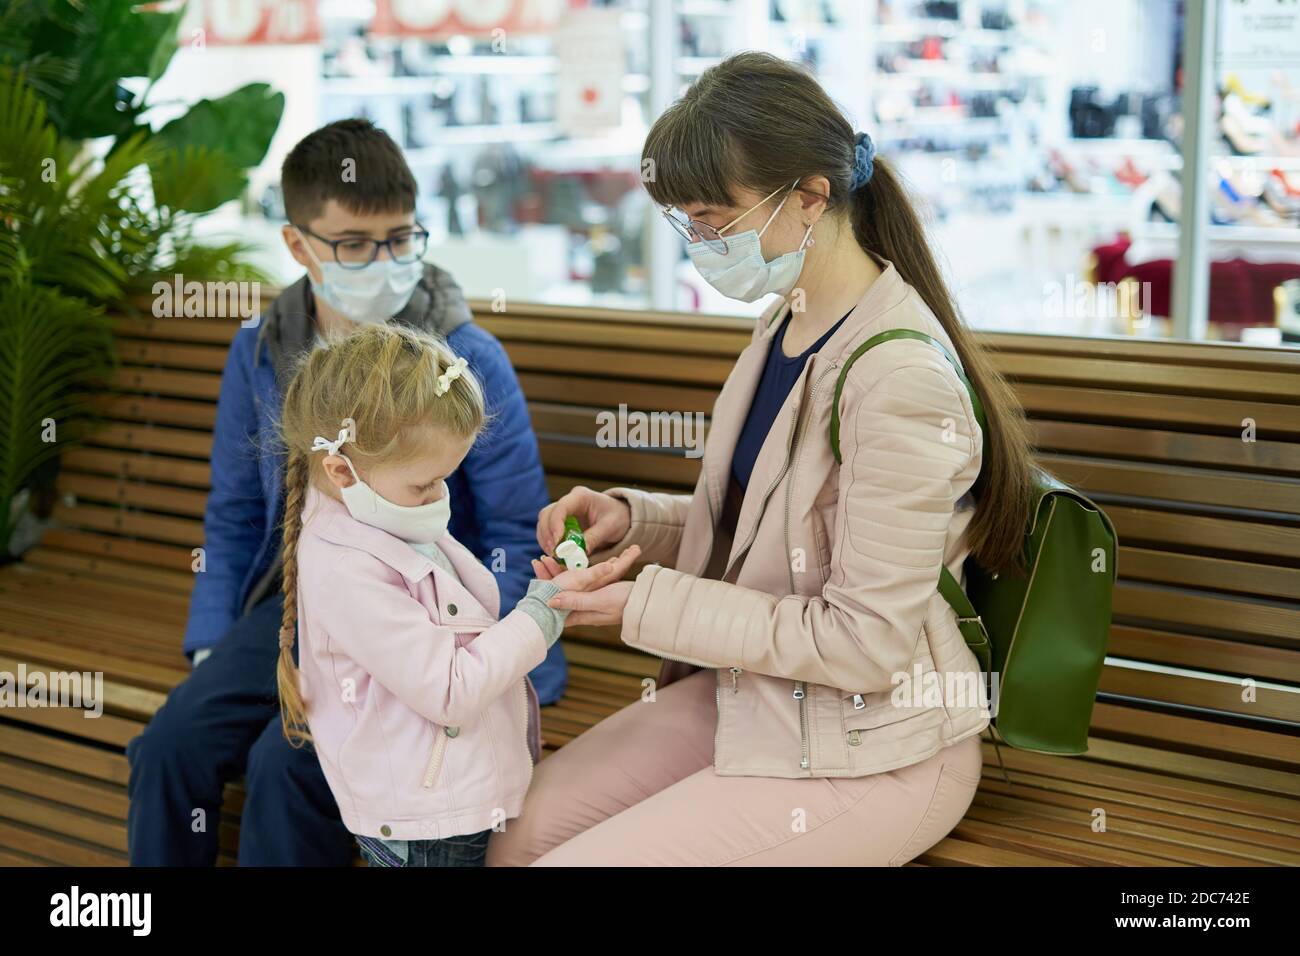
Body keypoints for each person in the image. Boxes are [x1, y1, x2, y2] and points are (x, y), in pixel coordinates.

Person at [487, 52, 1038, 866]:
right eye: (689, 222)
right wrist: (634, 521)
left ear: (811, 197)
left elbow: (864, 643)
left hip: (877, 746)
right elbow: (774, 527)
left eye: (714, 219)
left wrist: (639, 604)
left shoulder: (899, 377)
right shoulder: (793, 321)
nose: (700, 242)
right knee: (512, 837)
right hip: (763, 694)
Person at [126, 119, 562, 866]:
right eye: (355, 246)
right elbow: (234, 513)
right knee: (169, 747)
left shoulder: (464, 359)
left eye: (400, 239)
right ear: (298, 245)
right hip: (293, 607)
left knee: (283, 768)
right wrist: (211, 646)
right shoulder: (263, 347)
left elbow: (518, 530)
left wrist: (511, 657)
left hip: (419, 622)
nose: (383, 262)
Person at [274, 324, 638, 867]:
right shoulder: (346, 568)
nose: (440, 495)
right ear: (340, 469)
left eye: (447, 478)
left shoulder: (384, 513)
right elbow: (448, 688)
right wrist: (541, 613)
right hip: (429, 821)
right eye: (425, 484)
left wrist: (544, 592)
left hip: (454, 791)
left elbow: (459, 627)